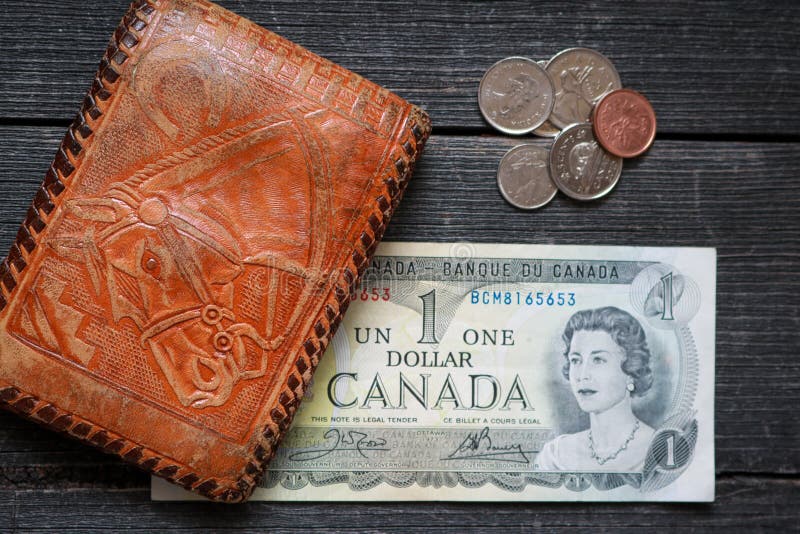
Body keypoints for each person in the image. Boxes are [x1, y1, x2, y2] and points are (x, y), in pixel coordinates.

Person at [537, 306, 656, 472]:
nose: (583, 375)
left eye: (598, 360)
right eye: (576, 360)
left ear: (631, 370)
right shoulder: (555, 455)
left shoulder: (659, 451)